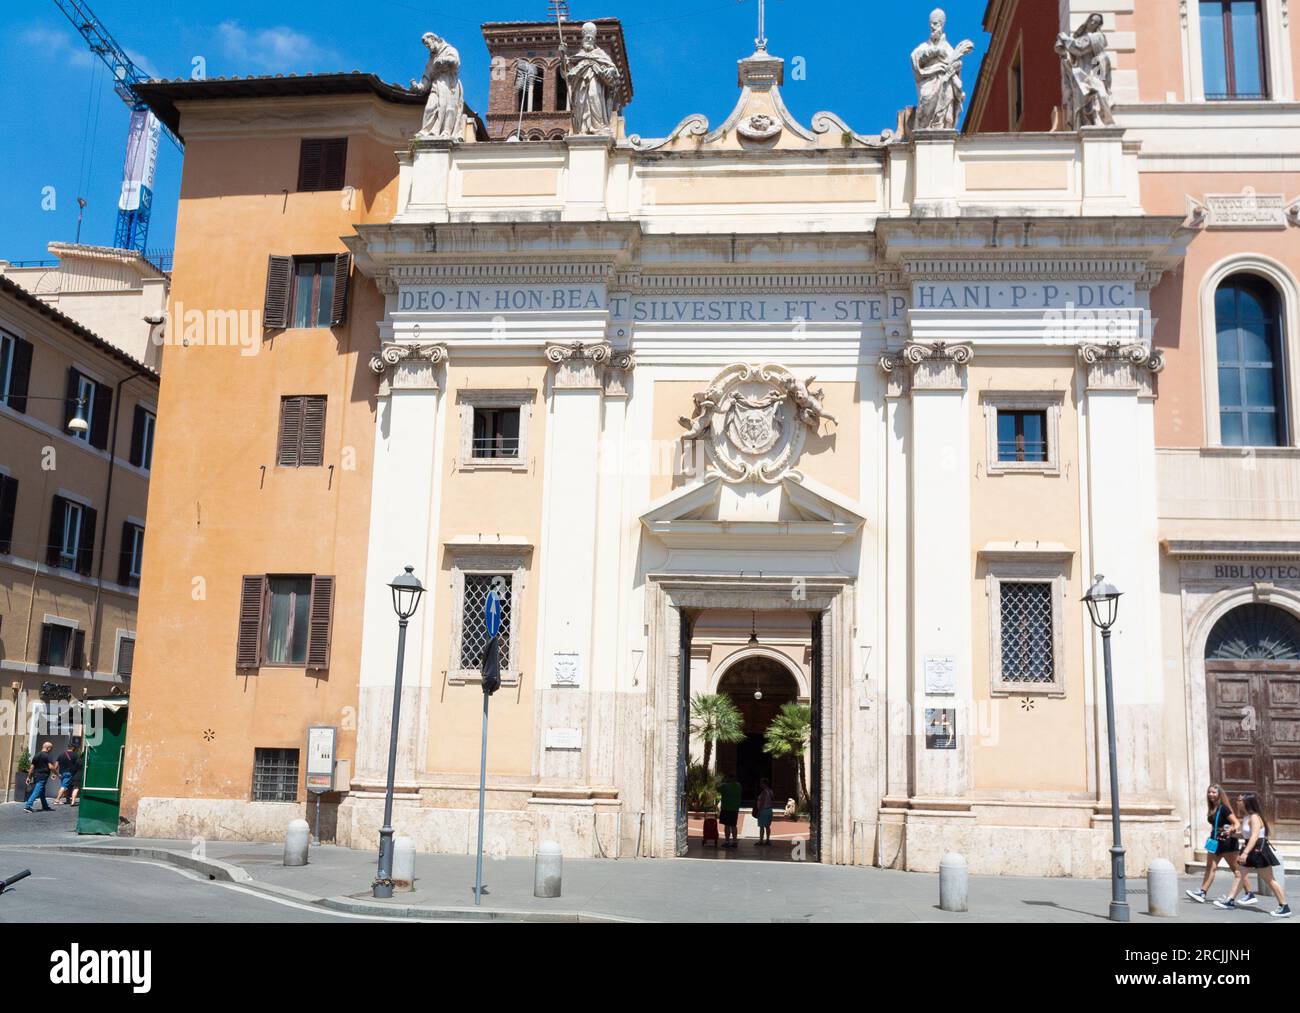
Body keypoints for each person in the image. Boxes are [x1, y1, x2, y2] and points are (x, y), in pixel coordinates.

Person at [1214, 792, 1291, 917]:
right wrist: (1231, 834)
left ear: (1247, 802)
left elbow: (1255, 837)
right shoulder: (1247, 817)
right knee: (1240, 874)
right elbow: (1247, 836)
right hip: (1251, 848)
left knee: (1269, 879)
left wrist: (1244, 853)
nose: (1237, 802)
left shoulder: (1254, 817)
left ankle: (1284, 906)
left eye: (1240, 800)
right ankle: (1230, 900)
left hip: (1258, 850)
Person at [1186, 784, 1253, 904]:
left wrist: (1231, 830)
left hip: (1227, 842)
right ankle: (1202, 892)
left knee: (1236, 869)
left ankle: (1250, 893)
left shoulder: (1224, 808)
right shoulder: (1213, 808)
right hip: (1215, 840)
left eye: (1214, 792)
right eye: (1209, 792)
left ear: (1219, 794)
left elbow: (1236, 823)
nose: (1211, 794)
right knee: (1210, 867)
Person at [22, 741, 58, 813]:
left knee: (41, 791)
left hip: (36, 775)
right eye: (51, 748)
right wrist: (57, 774)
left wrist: (29, 777)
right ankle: (28, 806)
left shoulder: (36, 755)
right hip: (43, 776)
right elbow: (51, 767)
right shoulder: (47, 756)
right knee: (37, 791)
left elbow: (32, 768)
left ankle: (45, 806)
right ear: (48, 748)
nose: (51, 750)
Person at [718, 773, 742, 849]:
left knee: (727, 825)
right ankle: (735, 841)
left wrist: (723, 782)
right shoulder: (738, 786)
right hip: (735, 808)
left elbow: (717, 788)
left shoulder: (725, 786)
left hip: (726, 808)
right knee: (734, 825)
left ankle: (727, 841)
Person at [55, 740, 82, 806]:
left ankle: (67, 799)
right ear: (72, 748)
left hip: (61, 773)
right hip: (69, 773)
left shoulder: (61, 754)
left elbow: (56, 764)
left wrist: (54, 774)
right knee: (64, 786)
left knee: (66, 786)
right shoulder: (75, 755)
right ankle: (57, 799)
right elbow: (78, 764)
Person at [752, 777, 775, 847]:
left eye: (761, 783)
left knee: (762, 826)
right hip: (769, 810)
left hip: (763, 810)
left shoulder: (764, 792)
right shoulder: (771, 791)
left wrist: (759, 811)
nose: (760, 784)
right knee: (767, 826)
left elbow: (762, 802)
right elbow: (772, 800)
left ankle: (761, 840)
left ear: (764, 784)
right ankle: (767, 840)